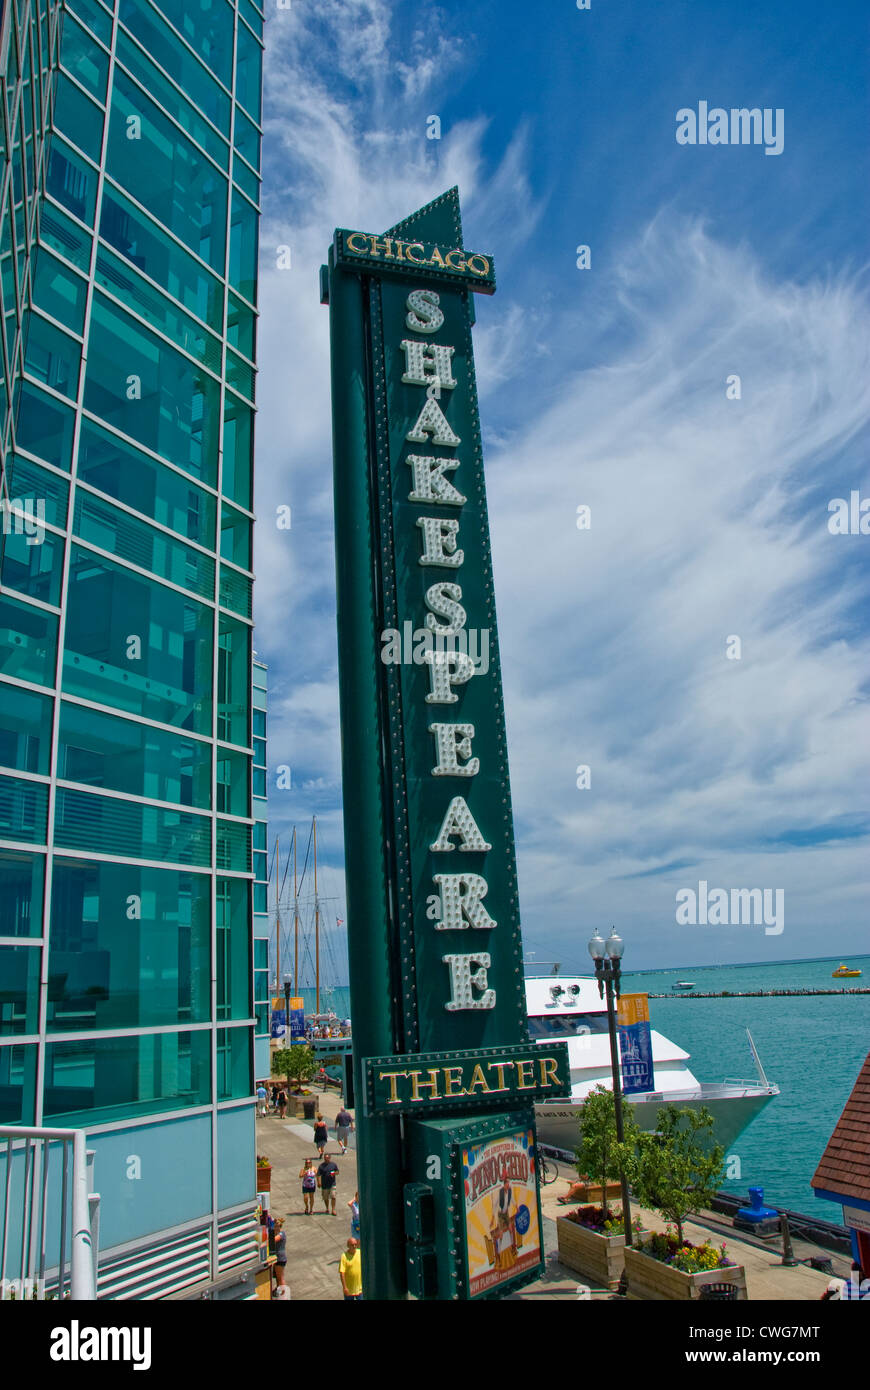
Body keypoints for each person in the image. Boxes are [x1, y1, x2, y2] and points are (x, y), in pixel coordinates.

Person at [273, 1217, 287, 1286]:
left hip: (280, 1258)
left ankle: (283, 1292)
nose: (275, 1228)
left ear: (280, 1226)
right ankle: (278, 1289)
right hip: (277, 1258)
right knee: (277, 1278)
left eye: (276, 1226)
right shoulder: (276, 1233)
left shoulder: (281, 1234)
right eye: (274, 1226)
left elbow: (273, 1240)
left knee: (280, 1278)